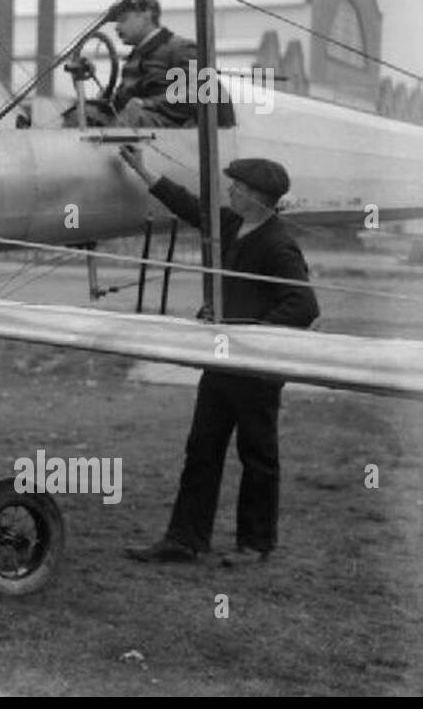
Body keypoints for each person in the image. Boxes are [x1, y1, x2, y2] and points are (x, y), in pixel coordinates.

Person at [119, 146, 319, 565]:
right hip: (222, 363)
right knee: (202, 449)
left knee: (257, 456)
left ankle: (255, 545)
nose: (229, 190)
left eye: (237, 187)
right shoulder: (231, 225)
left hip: (256, 370)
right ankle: (185, 540)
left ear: (258, 198)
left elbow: (303, 306)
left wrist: (244, 328)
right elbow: (190, 206)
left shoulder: (278, 245)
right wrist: (143, 170)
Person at [71, 0, 197, 128]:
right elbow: (122, 102)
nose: (117, 27)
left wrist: (146, 104)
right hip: (133, 122)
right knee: (79, 113)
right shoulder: (135, 56)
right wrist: (104, 99)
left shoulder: (181, 48)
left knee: (133, 115)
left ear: (146, 15)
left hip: (169, 128)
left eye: (123, 20)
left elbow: (200, 92)